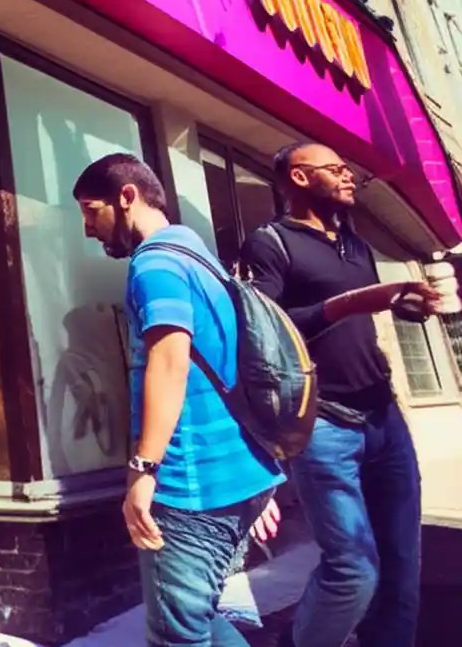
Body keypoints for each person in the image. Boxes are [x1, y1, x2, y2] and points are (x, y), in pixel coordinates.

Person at [72, 153, 283, 646]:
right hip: (240, 474)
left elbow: (170, 363)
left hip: (192, 483)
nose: (87, 228)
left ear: (127, 197)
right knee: (197, 619)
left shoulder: (155, 264)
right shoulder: (197, 252)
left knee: (178, 634)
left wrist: (144, 470)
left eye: (91, 210)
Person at [241, 142, 440, 647]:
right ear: (300, 178)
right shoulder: (270, 243)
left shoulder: (355, 243)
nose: (349, 176)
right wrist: (348, 303)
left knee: (402, 567)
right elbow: (263, 333)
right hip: (324, 424)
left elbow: (363, 319)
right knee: (353, 569)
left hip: (384, 418)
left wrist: (407, 305)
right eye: (335, 169)